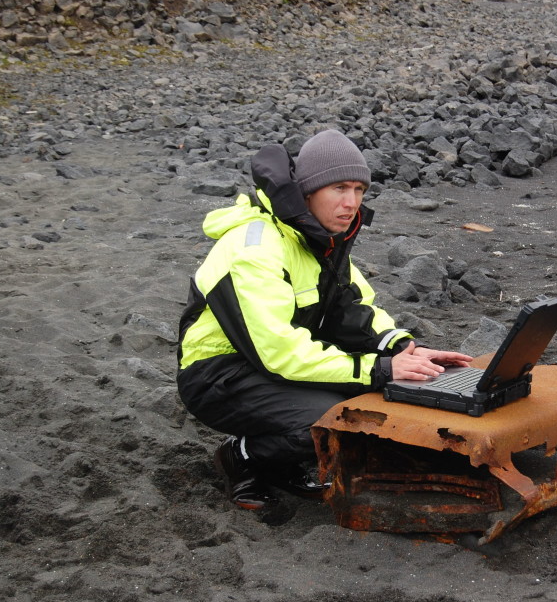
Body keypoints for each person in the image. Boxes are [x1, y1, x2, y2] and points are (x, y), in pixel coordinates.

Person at [176, 129, 472, 510]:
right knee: (334, 418)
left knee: (376, 392)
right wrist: (379, 370)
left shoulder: (317, 237)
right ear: (307, 191)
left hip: (266, 363)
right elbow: (279, 351)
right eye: (339, 188)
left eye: (360, 190)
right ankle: (242, 456)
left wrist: (406, 349)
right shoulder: (256, 247)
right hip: (216, 374)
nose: (351, 203)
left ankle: (280, 463)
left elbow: (353, 309)